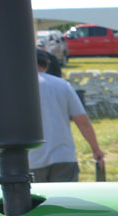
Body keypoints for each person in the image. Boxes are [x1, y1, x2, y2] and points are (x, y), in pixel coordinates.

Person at [29, 49, 105, 182]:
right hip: (63, 155)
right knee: (64, 201)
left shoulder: (19, 86)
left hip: (31, 158)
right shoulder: (62, 85)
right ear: (47, 64)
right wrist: (95, 149)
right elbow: (83, 121)